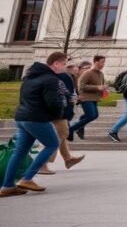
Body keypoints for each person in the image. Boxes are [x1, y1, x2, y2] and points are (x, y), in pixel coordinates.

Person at [0, 52, 68, 197]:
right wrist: (60, 111)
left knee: (19, 152)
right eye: (64, 63)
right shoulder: (51, 79)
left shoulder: (30, 77)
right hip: (37, 119)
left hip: (22, 118)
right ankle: (27, 178)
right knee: (52, 144)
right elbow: (53, 102)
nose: (64, 67)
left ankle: (7, 186)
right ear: (56, 63)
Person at [40, 61, 85, 175]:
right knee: (59, 136)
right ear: (68, 67)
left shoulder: (66, 76)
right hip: (60, 112)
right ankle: (42, 164)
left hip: (60, 111)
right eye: (75, 66)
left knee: (61, 136)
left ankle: (68, 159)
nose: (77, 68)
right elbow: (65, 95)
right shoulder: (64, 76)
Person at [68, 55, 106, 141]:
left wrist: (103, 88)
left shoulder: (100, 74)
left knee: (95, 115)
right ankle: (71, 129)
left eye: (104, 62)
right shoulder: (88, 72)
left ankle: (79, 128)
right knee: (91, 115)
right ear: (96, 62)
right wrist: (97, 87)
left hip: (94, 98)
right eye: (102, 62)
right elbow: (81, 86)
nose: (103, 64)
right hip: (85, 98)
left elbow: (100, 85)